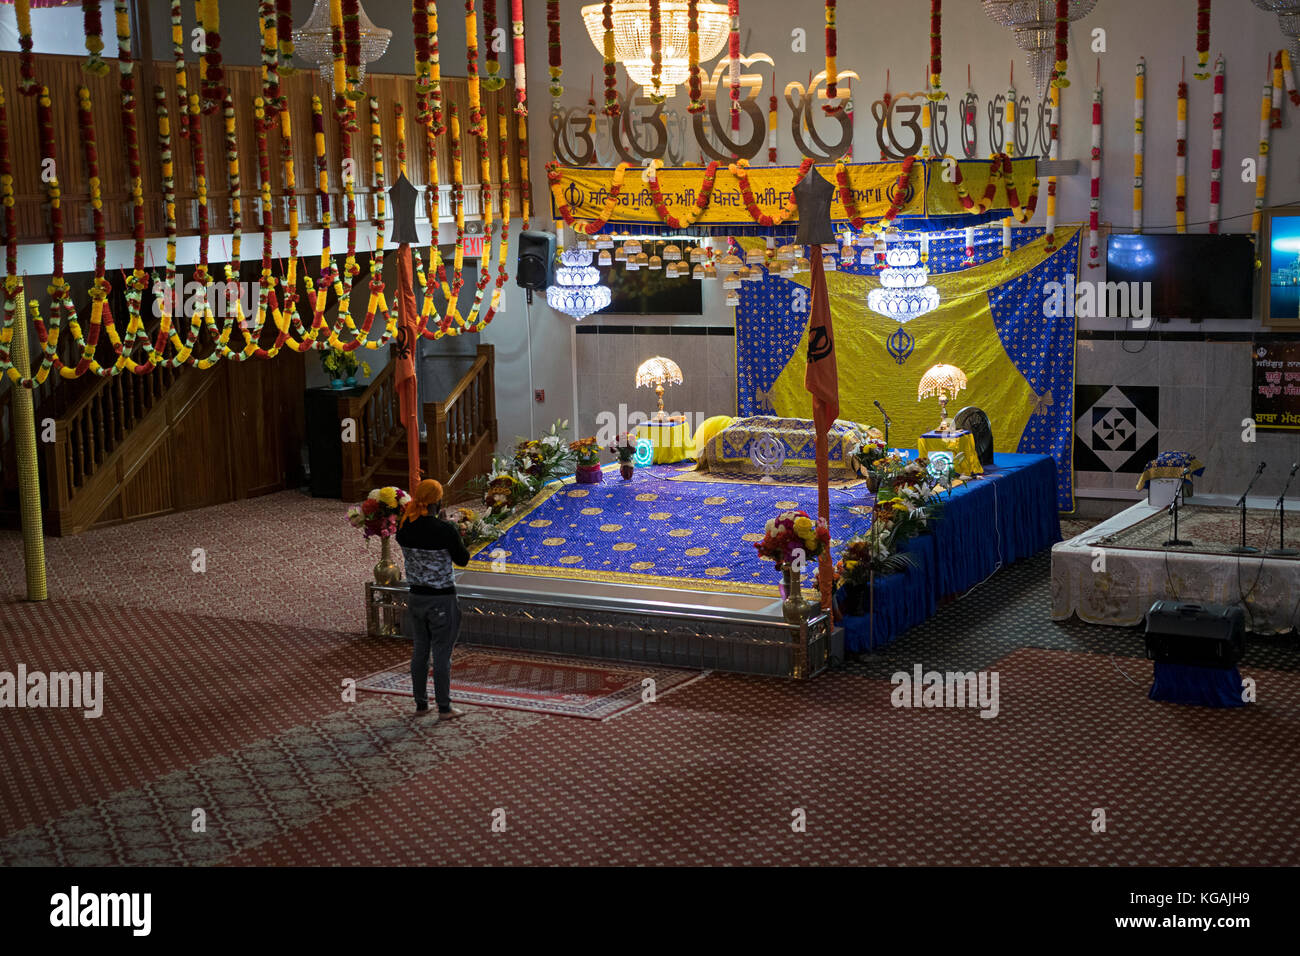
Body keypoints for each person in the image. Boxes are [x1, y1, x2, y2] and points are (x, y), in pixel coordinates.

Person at [396, 479, 471, 720]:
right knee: (441, 654)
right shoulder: (445, 530)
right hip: (441, 599)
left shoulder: (405, 526)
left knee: (420, 650)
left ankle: (420, 704)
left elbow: (422, 533)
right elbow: (462, 559)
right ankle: (445, 708)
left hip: (416, 596)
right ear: (438, 502)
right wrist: (455, 532)